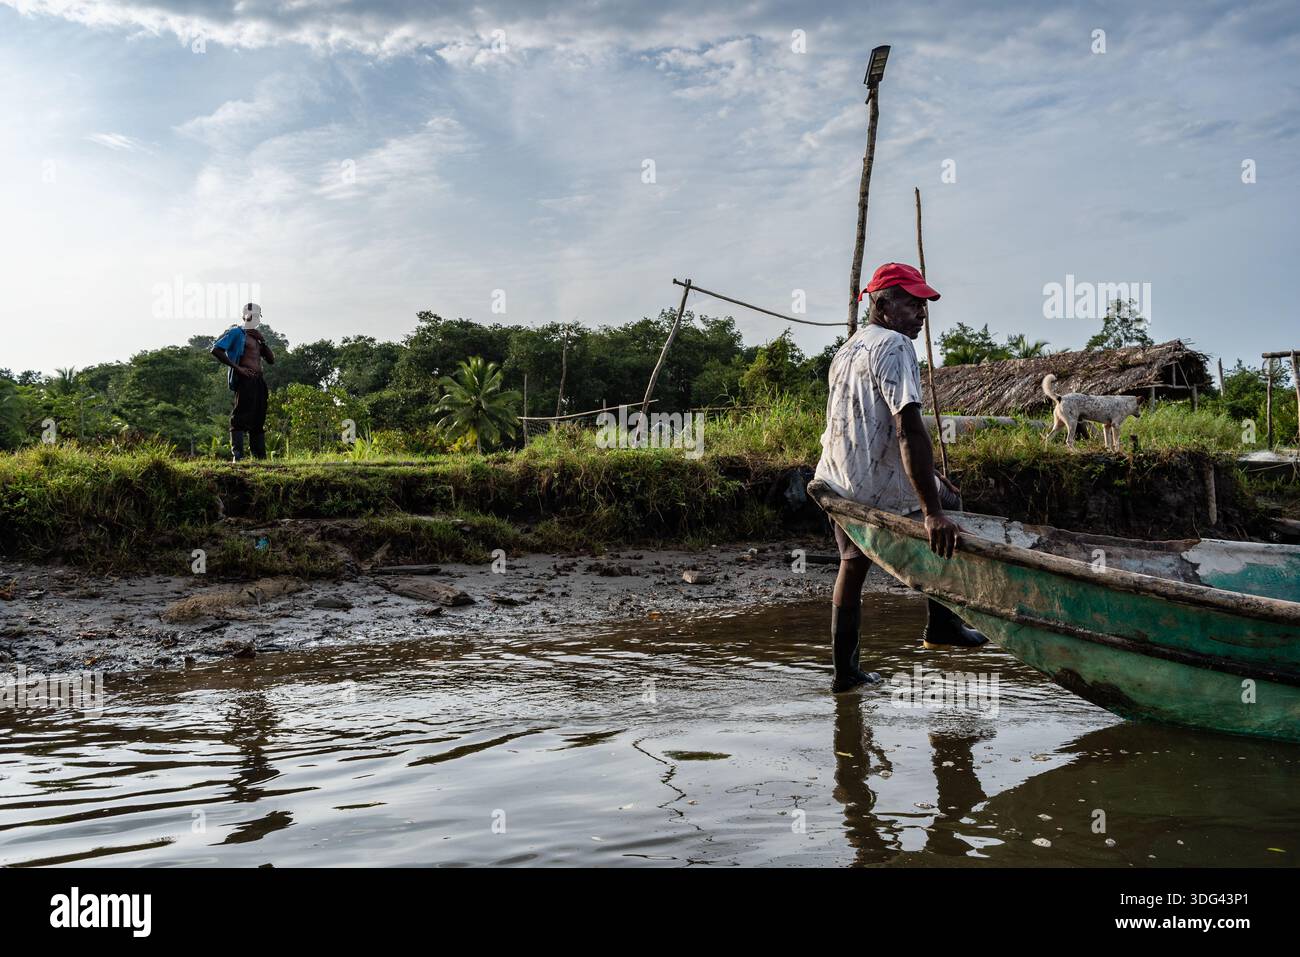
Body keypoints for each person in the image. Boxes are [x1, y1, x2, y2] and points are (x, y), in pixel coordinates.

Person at [814, 263, 986, 694]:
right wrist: (930, 511)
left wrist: (927, 473)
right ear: (884, 304)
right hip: (872, 486)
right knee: (950, 509)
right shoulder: (894, 346)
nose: (921, 313)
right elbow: (908, 428)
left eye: (923, 304)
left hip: (838, 479)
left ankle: (846, 674)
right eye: (912, 303)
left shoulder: (848, 348)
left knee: (852, 567)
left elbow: (863, 423)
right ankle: (942, 624)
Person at [211, 303, 275, 461]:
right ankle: (237, 457)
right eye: (254, 315)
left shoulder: (257, 338)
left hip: (259, 382)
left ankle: (260, 458)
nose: (257, 318)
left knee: (258, 418)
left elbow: (271, 360)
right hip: (245, 380)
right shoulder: (236, 333)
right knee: (239, 418)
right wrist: (238, 368)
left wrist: (263, 341)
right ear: (246, 315)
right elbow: (216, 349)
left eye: (259, 315)